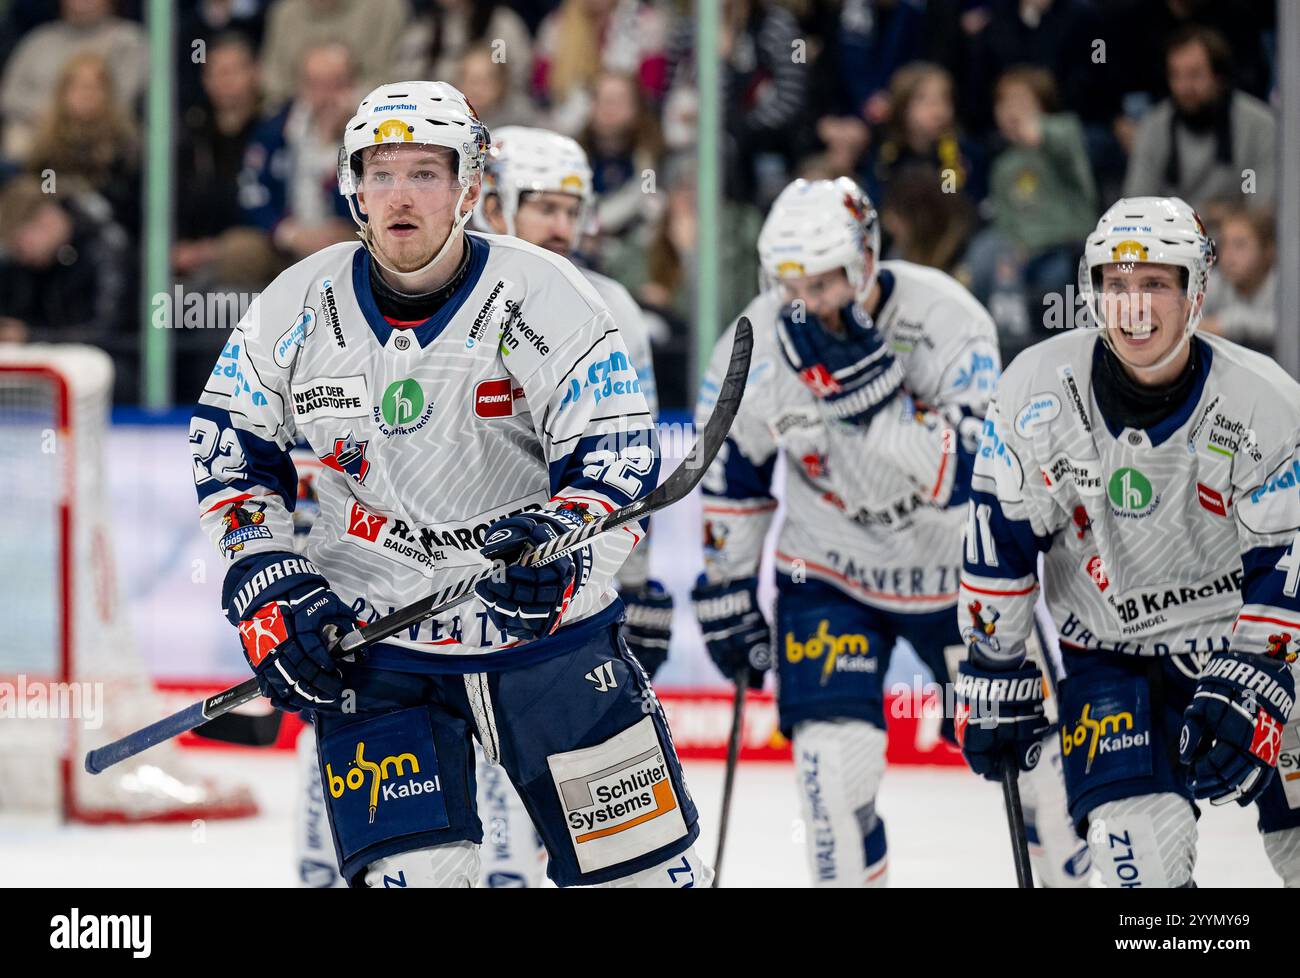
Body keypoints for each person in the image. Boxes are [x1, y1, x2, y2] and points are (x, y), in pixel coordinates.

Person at [191, 81, 706, 888]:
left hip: (550, 649)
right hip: (382, 647)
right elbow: (229, 451)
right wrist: (263, 583)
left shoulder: (551, 295)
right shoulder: (297, 303)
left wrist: (565, 549)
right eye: (381, 172)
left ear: (470, 187)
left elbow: (616, 462)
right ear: (351, 187)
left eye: (426, 173)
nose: (401, 195)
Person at [691, 176, 1089, 886]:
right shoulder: (751, 342)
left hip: (960, 577)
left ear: (866, 260)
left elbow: (980, 472)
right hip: (829, 574)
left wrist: (877, 408)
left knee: (1044, 778)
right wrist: (726, 589)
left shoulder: (946, 319)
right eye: (788, 284)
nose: (805, 303)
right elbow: (733, 475)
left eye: (823, 282)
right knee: (830, 775)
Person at [956, 196, 1300, 887]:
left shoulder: (1263, 403)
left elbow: (1287, 559)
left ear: (1194, 293)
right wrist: (995, 666)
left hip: (1243, 652)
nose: (1133, 307)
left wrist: (1261, 681)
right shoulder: (1034, 391)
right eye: (1116, 284)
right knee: (1136, 879)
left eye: (1155, 285)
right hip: (1110, 664)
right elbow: (1000, 541)